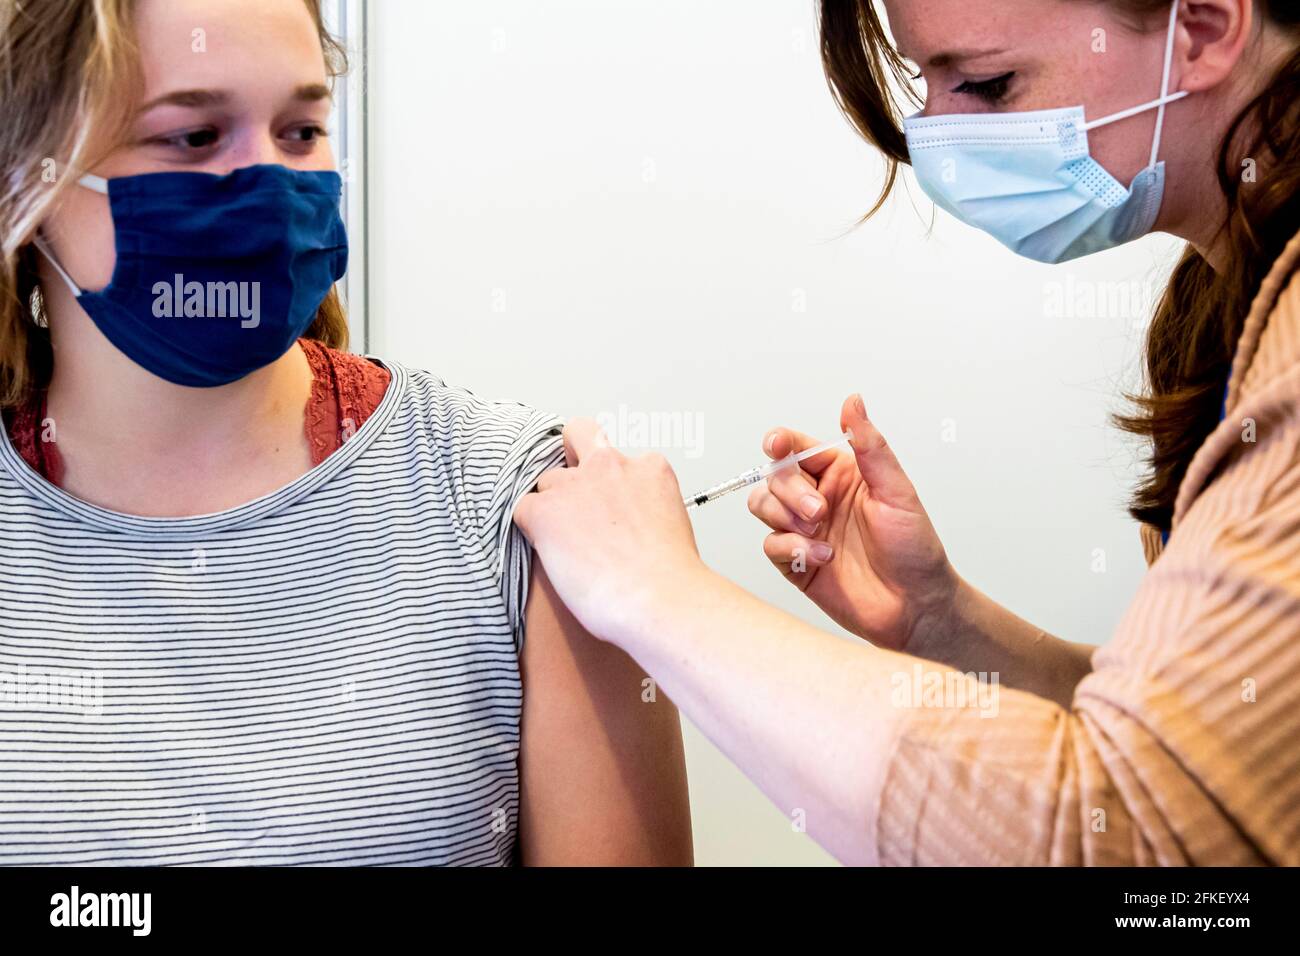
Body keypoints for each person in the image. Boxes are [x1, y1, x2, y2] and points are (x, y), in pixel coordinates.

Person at [513, 0, 1300, 865]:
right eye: (925, 82)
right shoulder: (1215, 316)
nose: (936, 140)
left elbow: (1141, 848)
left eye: (987, 83)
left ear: (1206, 28)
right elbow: (1214, 758)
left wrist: (658, 596)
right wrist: (942, 623)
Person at [0, 0, 691, 866]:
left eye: (299, 130)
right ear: (28, 174)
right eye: (193, 136)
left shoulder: (527, 508)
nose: (272, 184)